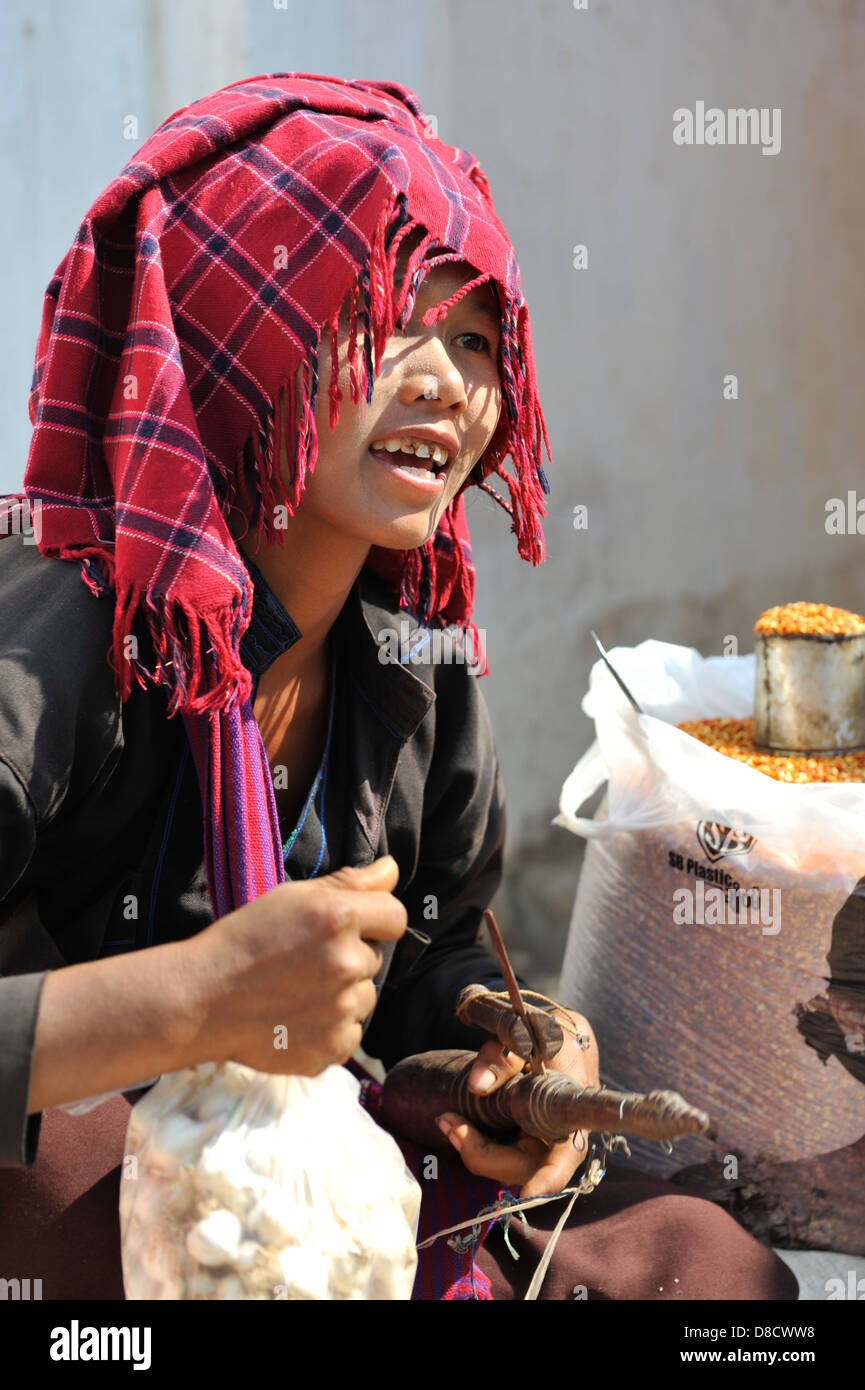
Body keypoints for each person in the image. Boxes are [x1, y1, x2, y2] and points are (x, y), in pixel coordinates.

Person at [0, 72, 797, 1301]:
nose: (443, 381)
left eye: (475, 338)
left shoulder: (413, 655)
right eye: (385, 320)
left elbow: (423, 959)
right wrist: (202, 1002)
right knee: (75, 1191)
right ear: (242, 337)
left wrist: (507, 1052)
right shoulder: (59, 622)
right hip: (86, 1177)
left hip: (302, 1157)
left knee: (704, 1268)